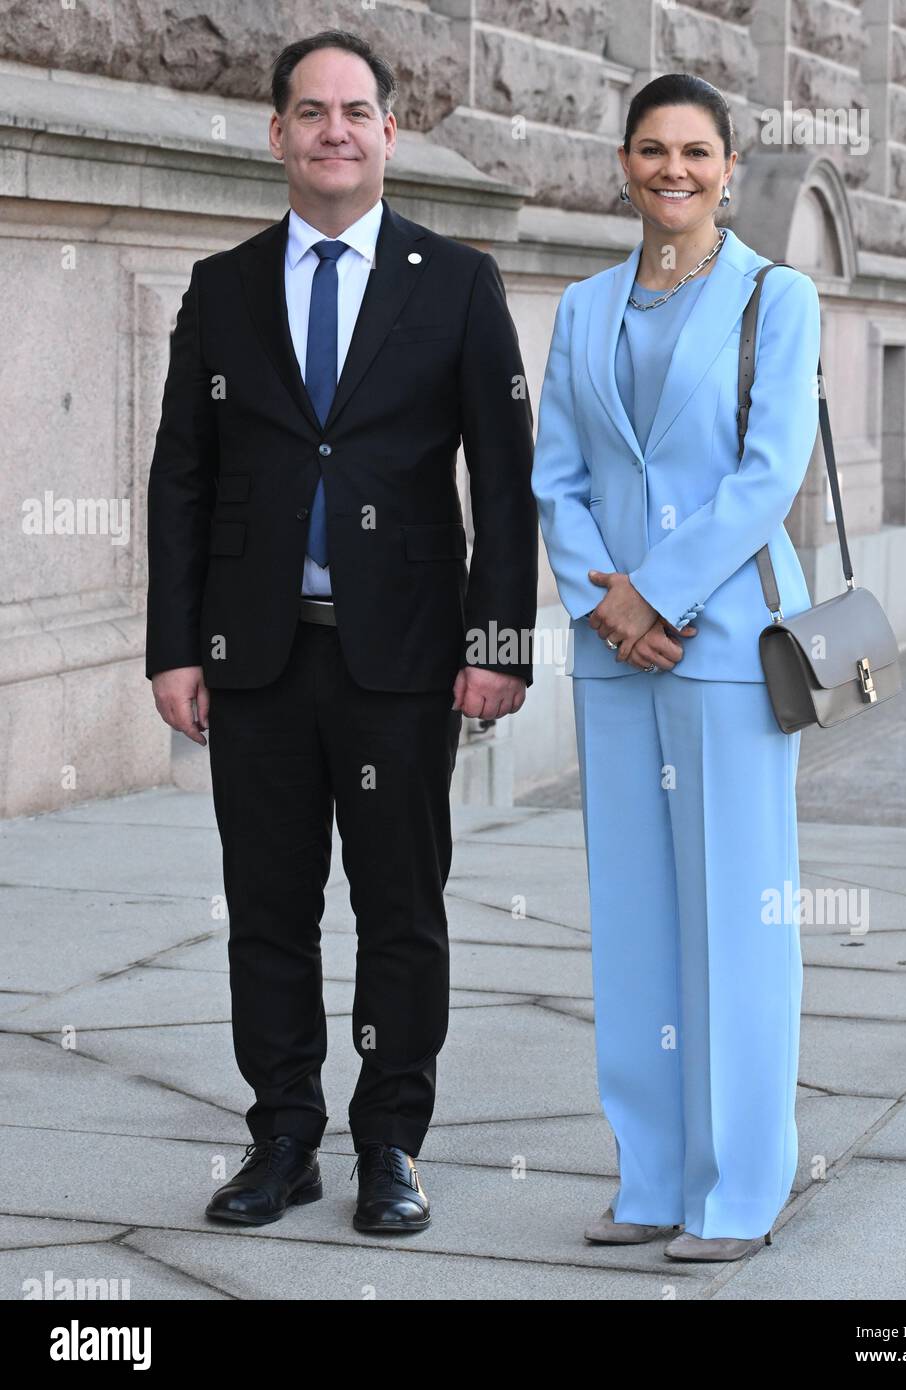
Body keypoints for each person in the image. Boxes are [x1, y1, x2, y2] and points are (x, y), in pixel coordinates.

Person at [145, 29, 537, 1234]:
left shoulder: (456, 281)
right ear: (276, 134)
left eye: (354, 110)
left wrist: (498, 646)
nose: (332, 130)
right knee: (267, 906)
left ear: (388, 133)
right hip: (255, 658)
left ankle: (390, 1144)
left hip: (406, 659)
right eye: (309, 111)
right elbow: (181, 480)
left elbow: (504, 481)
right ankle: (281, 1138)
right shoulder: (222, 288)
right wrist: (173, 645)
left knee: (399, 910)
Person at [531, 73, 821, 1262]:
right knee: (637, 923)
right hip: (615, 654)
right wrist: (606, 604)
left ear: (726, 166)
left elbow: (769, 472)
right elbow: (551, 471)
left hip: (727, 650)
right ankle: (649, 1177)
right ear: (620, 163)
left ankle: (740, 1189)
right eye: (650, 150)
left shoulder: (776, 294)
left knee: (737, 925)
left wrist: (658, 593)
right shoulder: (585, 304)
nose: (672, 171)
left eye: (694, 152)